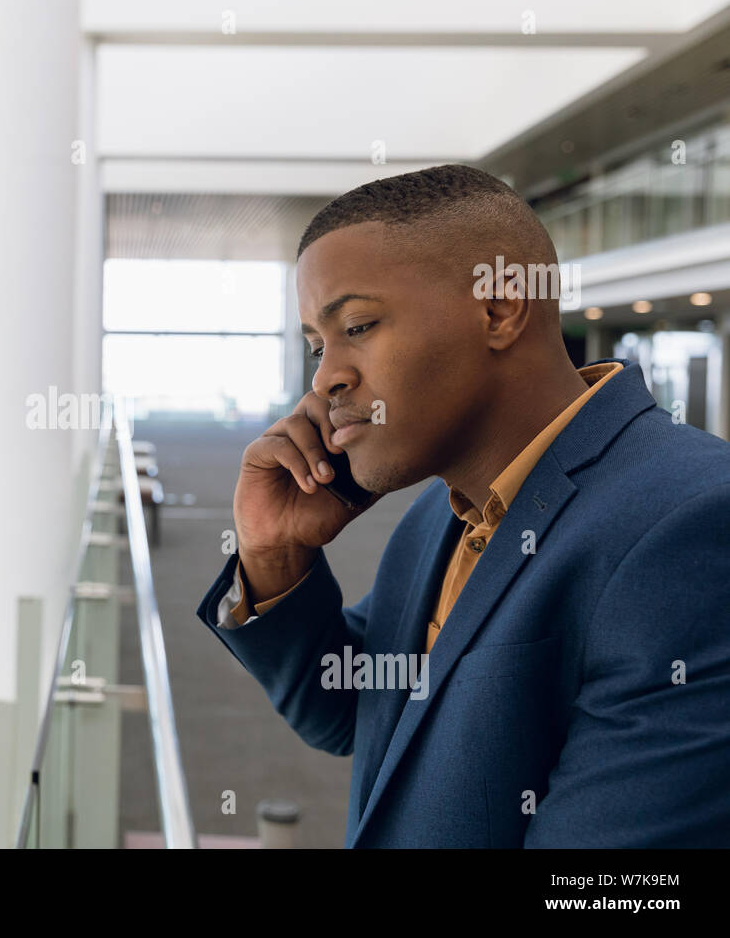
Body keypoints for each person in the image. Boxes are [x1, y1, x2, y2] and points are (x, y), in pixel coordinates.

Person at [195, 163, 730, 847]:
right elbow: (356, 715)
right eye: (316, 345)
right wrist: (274, 554)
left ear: (500, 308)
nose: (326, 375)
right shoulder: (440, 514)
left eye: (357, 325)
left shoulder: (691, 525)